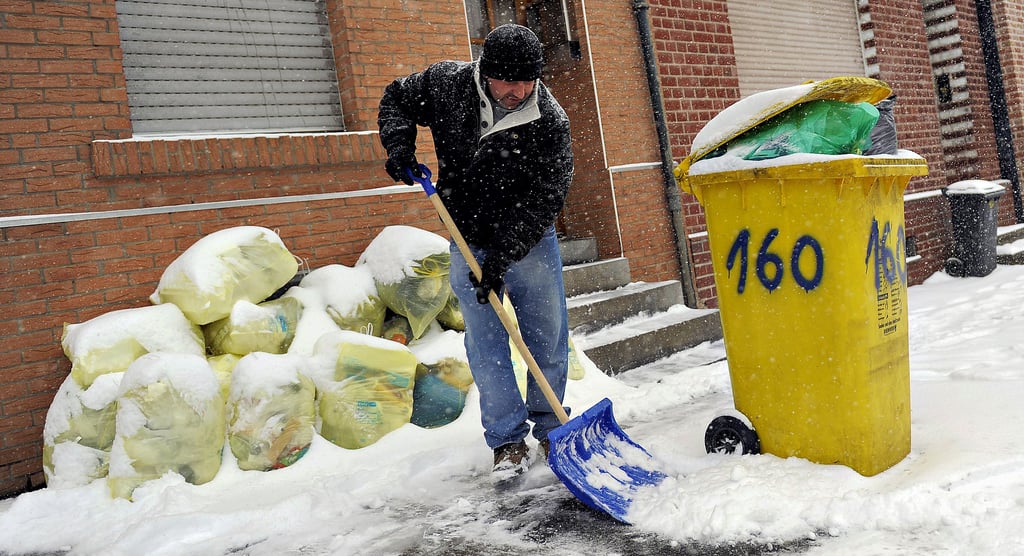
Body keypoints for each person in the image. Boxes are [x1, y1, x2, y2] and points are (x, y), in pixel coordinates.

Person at [377, 24, 574, 476]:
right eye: (507, 80)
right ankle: (507, 442)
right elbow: (396, 98)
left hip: (529, 238)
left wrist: (503, 257)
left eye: (527, 81)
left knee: (546, 337)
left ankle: (552, 429)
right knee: (486, 345)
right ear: (486, 73)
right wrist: (400, 146)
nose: (517, 90)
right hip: (466, 236)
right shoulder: (448, 85)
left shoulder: (549, 119)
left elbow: (549, 193)